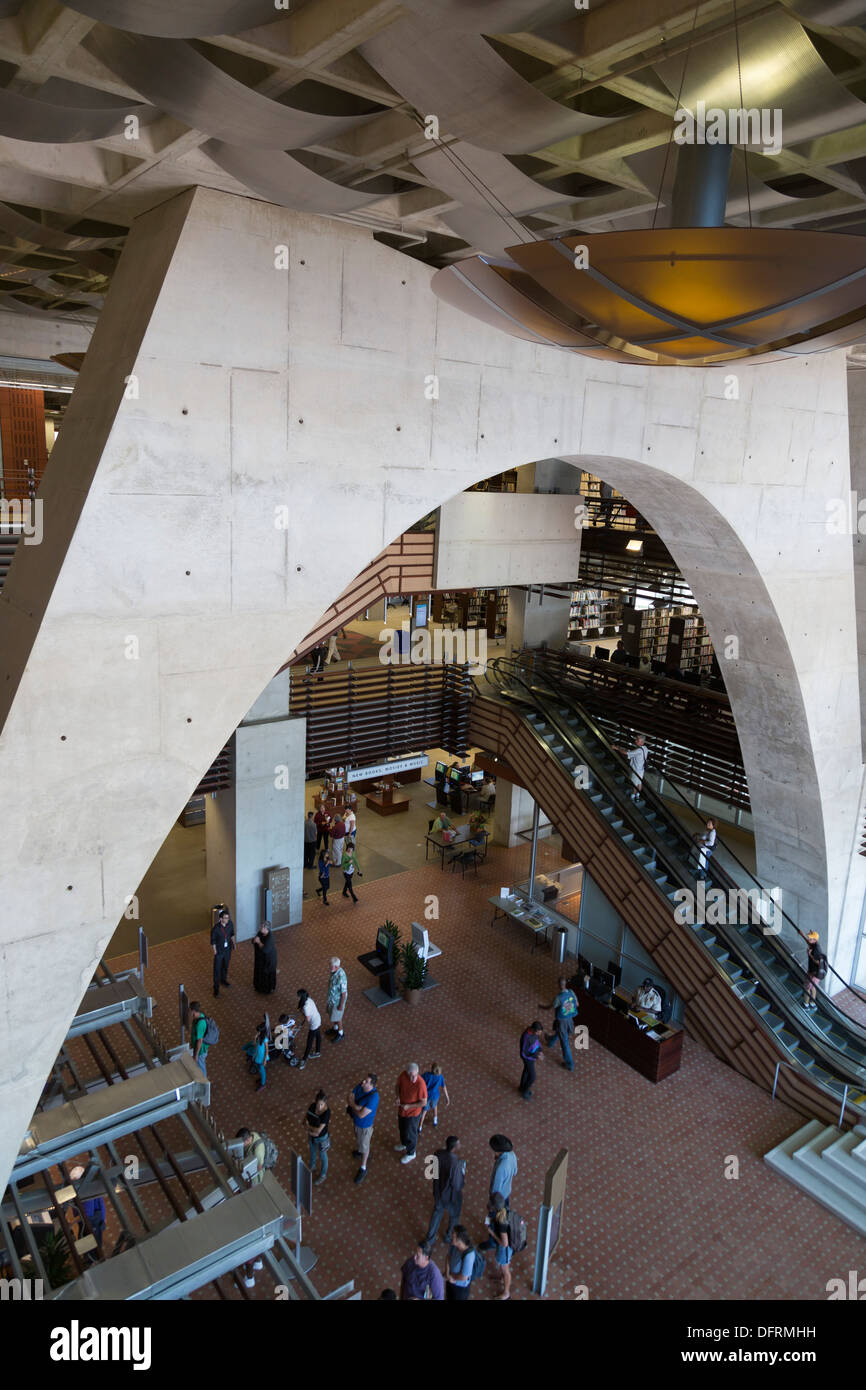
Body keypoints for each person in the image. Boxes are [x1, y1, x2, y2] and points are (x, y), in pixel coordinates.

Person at [236, 1127, 267, 1288]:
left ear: (248, 1140)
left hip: (254, 1182)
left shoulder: (258, 1149)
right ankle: (258, 1261)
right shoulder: (253, 1136)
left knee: (249, 1255)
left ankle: (250, 1277)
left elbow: (258, 1167)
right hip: (256, 1233)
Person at [422, 1135, 465, 1252]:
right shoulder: (456, 1163)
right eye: (459, 1144)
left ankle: (429, 1239)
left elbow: (433, 1173)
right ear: (454, 1148)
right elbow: (457, 1185)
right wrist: (463, 1173)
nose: (460, 1146)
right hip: (451, 1196)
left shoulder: (438, 1153)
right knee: (454, 1216)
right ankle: (448, 1236)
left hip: (438, 1190)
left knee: (437, 1213)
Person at [539, 976, 579, 1071]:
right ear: (565, 984)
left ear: (558, 985)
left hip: (562, 1021)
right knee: (560, 1033)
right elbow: (577, 1004)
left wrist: (541, 1006)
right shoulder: (571, 992)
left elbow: (550, 1007)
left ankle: (570, 1064)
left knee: (564, 1042)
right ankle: (550, 1041)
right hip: (570, 1020)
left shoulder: (558, 998)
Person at [348, 1072, 379, 1185]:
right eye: (364, 1080)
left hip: (365, 1126)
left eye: (366, 1081)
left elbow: (361, 1115)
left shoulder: (373, 1098)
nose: (363, 1082)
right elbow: (350, 1095)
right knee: (359, 1140)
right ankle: (361, 1151)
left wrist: (354, 1106)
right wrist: (356, 1106)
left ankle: (363, 1167)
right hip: (357, 1123)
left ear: (371, 1085)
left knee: (365, 1145)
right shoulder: (361, 1086)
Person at [395, 1062, 427, 1164]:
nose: (413, 1078)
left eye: (415, 1075)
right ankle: (404, 1144)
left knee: (411, 1133)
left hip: (413, 1114)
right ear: (407, 1073)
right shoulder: (403, 1076)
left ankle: (411, 1153)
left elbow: (423, 1102)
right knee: (402, 1128)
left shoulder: (421, 1084)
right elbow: (397, 1086)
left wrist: (409, 1106)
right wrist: (398, 1097)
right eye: (411, 1075)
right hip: (402, 1110)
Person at [487, 1191, 512, 1301]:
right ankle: (502, 1279)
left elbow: (505, 1243)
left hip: (505, 1249)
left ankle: (506, 1293)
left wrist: (492, 1234)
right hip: (505, 1247)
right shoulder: (504, 1210)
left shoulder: (502, 1222)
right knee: (503, 1267)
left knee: (505, 1269)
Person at [305, 1088, 330, 1186]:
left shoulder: (326, 1113)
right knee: (312, 1151)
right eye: (318, 1104)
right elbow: (306, 1117)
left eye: (321, 1105)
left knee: (323, 1156)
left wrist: (308, 1128)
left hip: (322, 1138)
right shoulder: (312, 1107)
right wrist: (310, 1129)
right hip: (312, 1136)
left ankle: (323, 1175)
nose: (319, 1107)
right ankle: (312, 1166)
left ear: (325, 1103)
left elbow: (318, 1131)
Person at [612, 732, 648, 802]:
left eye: (637, 740)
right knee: (639, 783)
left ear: (641, 742)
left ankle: (632, 797)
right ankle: (637, 796)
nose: (635, 741)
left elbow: (626, 753)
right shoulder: (645, 748)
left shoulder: (638, 750)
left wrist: (616, 748)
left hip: (636, 770)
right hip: (641, 769)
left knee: (635, 784)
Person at [444, 1227, 475, 1301]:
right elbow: (448, 1257)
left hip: (460, 1288)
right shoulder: (453, 1245)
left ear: (459, 1241)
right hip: (450, 1280)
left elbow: (464, 1277)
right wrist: (447, 1273)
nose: (450, 1236)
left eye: (453, 1236)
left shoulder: (469, 1256)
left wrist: (451, 1277)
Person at [210, 907, 234, 998]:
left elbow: (232, 934)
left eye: (228, 918)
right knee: (217, 969)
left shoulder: (230, 924)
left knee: (225, 966)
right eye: (225, 918)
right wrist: (215, 951)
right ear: (220, 919)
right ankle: (216, 989)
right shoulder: (216, 929)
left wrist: (234, 944)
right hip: (219, 951)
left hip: (227, 950)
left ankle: (223, 980)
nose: (227, 920)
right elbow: (213, 941)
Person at [488, 1135, 517, 1209]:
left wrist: (492, 1202)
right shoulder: (512, 1154)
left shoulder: (501, 1168)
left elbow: (496, 1189)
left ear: (498, 1151)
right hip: (507, 1191)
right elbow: (515, 1172)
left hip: (499, 1198)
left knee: (495, 1216)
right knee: (505, 1210)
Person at [419, 1062, 450, 1131]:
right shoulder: (440, 1077)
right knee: (435, 1106)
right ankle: (435, 1119)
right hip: (435, 1096)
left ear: (431, 1069)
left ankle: (420, 1127)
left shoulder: (426, 1075)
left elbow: (419, 1080)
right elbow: (444, 1088)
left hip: (426, 1096)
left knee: (424, 1111)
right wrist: (447, 1098)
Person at [518, 1020, 544, 1099]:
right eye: (539, 1032)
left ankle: (522, 1087)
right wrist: (536, 1056)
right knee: (532, 1076)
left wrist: (540, 1051)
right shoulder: (526, 1037)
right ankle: (525, 1091)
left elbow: (537, 1042)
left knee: (526, 1071)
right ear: (534, 1030)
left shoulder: (534, 1034)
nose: (540, 1034)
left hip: (532, 1057)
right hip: (528, 1058)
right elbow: (524, 1052)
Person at [296, 988, 322, 1068]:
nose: (297, 997)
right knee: (318, 1035)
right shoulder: (309, 999)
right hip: (318, 1018)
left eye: (298, 996)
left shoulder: (306, 1007)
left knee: (309, 1042)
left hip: (313, 1023)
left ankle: (304, 1060)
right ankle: (317, 1051)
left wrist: (302, 1013)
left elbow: (307, 1019)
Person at [251, 919, 278, 994]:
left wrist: (258, 942)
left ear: (266, 929)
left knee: (267, 973)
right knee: (259, 971)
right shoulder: (260, 933)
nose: (260, 928)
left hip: (269, 959)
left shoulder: (270, 938)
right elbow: (255, 939)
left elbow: (265, 950)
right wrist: (254, 940)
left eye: (262, 927)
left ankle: (268, 989)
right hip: (260, 958)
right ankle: (258, 987)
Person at [804, 931, 828, 1011]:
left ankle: (806, 1005)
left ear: (815, 939)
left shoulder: (816, 949)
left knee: (807, 988)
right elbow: (808, 942)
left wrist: (809, 954)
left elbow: (818, 962)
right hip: (814, 972)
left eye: (810, 938)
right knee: (813, 987)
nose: (808, 939)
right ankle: (812, 1004)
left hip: (814, 973)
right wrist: (801, 934)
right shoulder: (813, 944)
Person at [326, 956, 348, 1042]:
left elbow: (343, 994)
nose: (329, 967)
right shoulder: (334, 971)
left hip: (337, 1002)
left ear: (336, 966)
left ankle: (340, 1033)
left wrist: (341, 1005)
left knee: (338, 1018)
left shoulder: (341, 977)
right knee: (333, 1015)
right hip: (332, 999)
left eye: (331, 966)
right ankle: (335, 1028)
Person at [243, 1023, 269, 1092]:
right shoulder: (259, 1036)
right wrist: (255, 1037)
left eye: (259, 1031)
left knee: (261, 1070)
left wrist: (265, 1060)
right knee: (258, 1067)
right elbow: (255, 1044)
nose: (258, 1032)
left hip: (261, 1057)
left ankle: (263, 1084)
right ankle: (262, 1080)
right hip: (257, 1054)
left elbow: (266, 1050)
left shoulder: (265, 1039)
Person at [189, 1001, 210, 1076]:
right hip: (199, 1048)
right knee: (200, 1064)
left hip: (200, 1050)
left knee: (201, 1066)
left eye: (190, 1010)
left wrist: (196, 1055)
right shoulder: (198, 1016)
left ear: (193, 1011)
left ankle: (205, 1083)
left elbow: (200, 1041)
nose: (189, 1012)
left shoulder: (200, 1024)